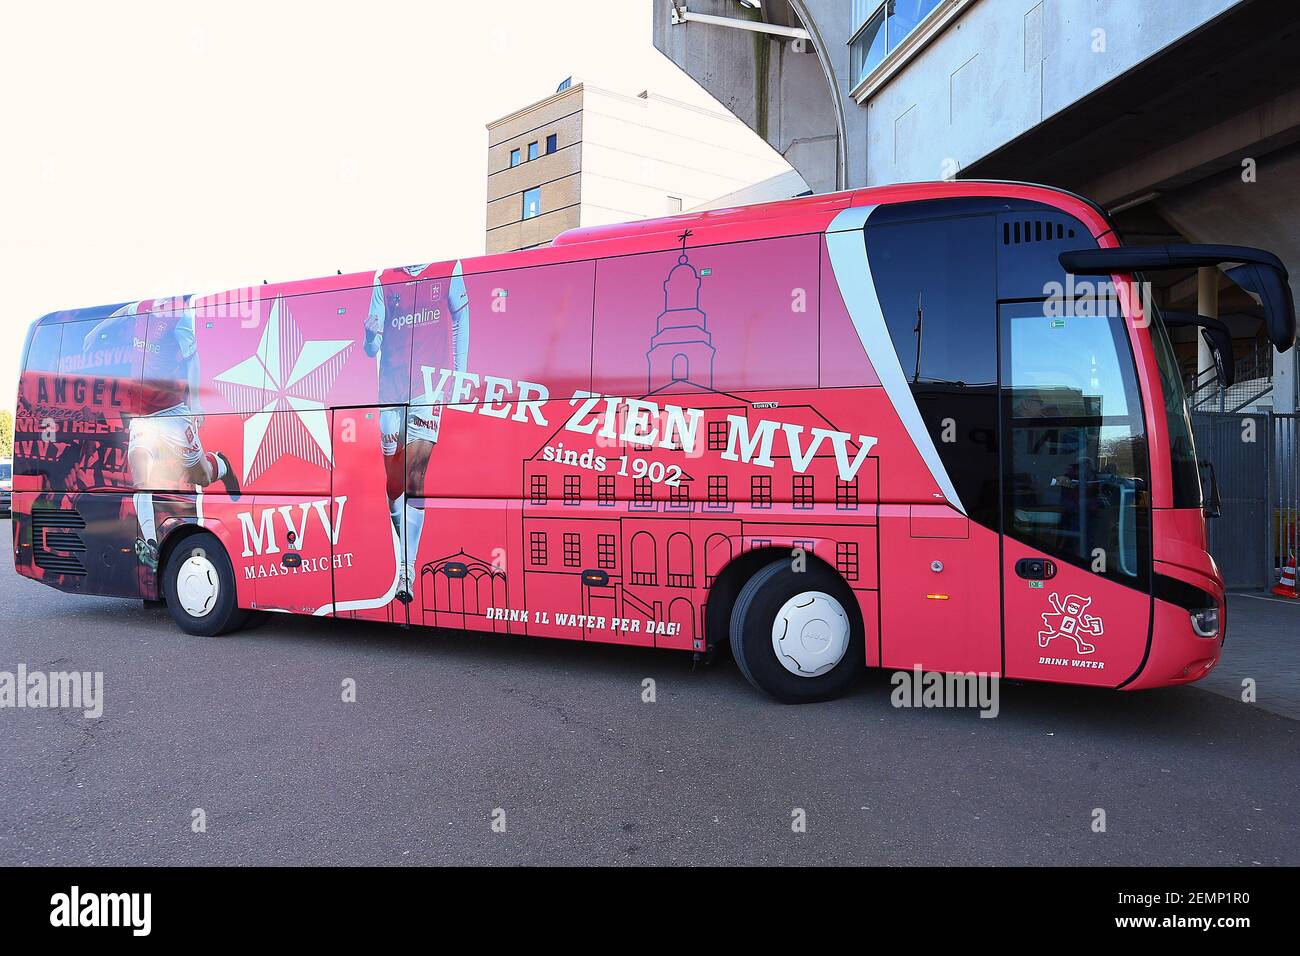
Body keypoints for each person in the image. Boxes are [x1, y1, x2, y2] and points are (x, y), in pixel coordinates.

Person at [82, 296, 238, 570]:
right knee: (142, 477)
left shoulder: (180, 317)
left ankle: (221, 464)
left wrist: (196, 402)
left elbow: (192, 359)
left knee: (199, 475)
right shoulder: (142, 310)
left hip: (172, 413)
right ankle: (151, 544)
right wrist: (94, 333)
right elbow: (121, 311)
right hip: (142, 418)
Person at [365, 263, 470, 603]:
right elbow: (371, 347)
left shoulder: (447, 269)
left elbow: (461, 319)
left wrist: (459, 374)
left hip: (428, 388)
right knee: (394, 481)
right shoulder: (384, 280)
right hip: (390, 392)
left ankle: (406, 570)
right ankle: (403, 554)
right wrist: (369, 336)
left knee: (414, 475)